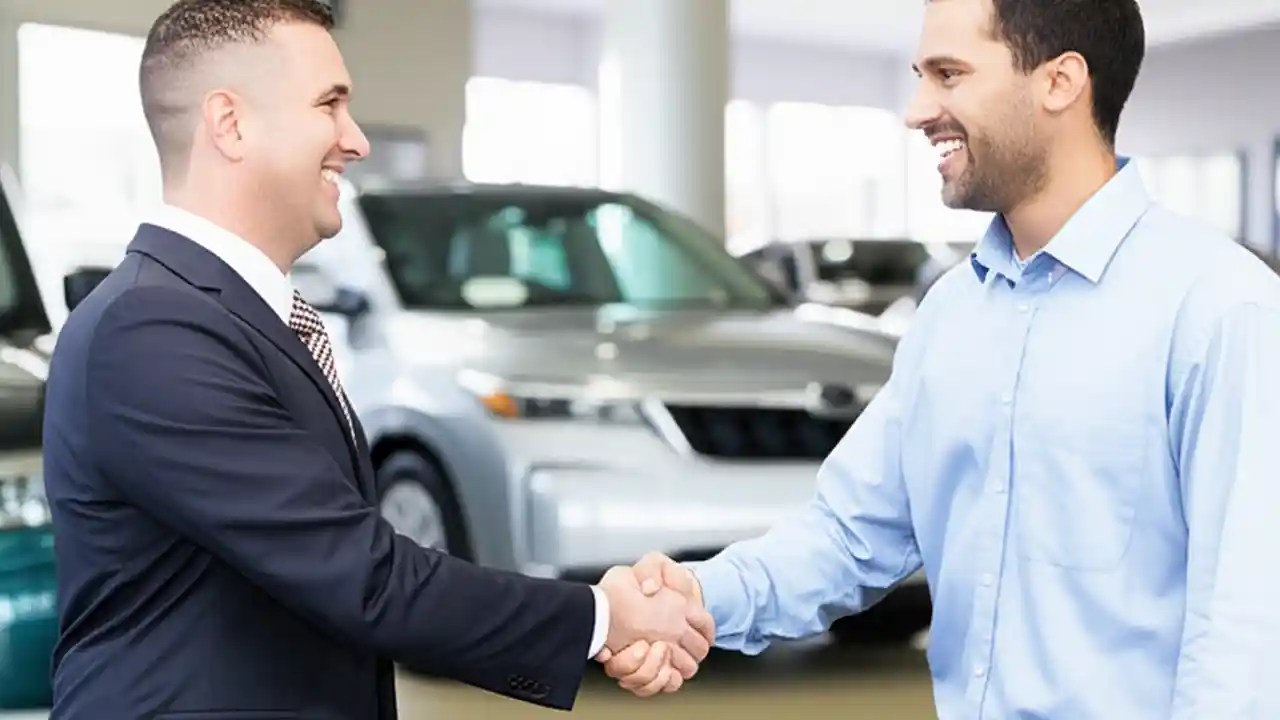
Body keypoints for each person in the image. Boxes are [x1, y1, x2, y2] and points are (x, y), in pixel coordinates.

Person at [602, 0, 1280, 716]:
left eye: (949, 74)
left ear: (1060, 82)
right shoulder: (952, 313)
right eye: (921, 76)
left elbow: (1245, 629)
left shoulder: (1220, 307)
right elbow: (849, 535)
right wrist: (696, 596)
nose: (918, 110)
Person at [40, 1, 711, 717]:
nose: (355, 141)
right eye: (328, 105)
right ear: (230, 124)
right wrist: (604, 618)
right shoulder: (152, 327)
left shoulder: (224, 314)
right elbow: (364, 576)